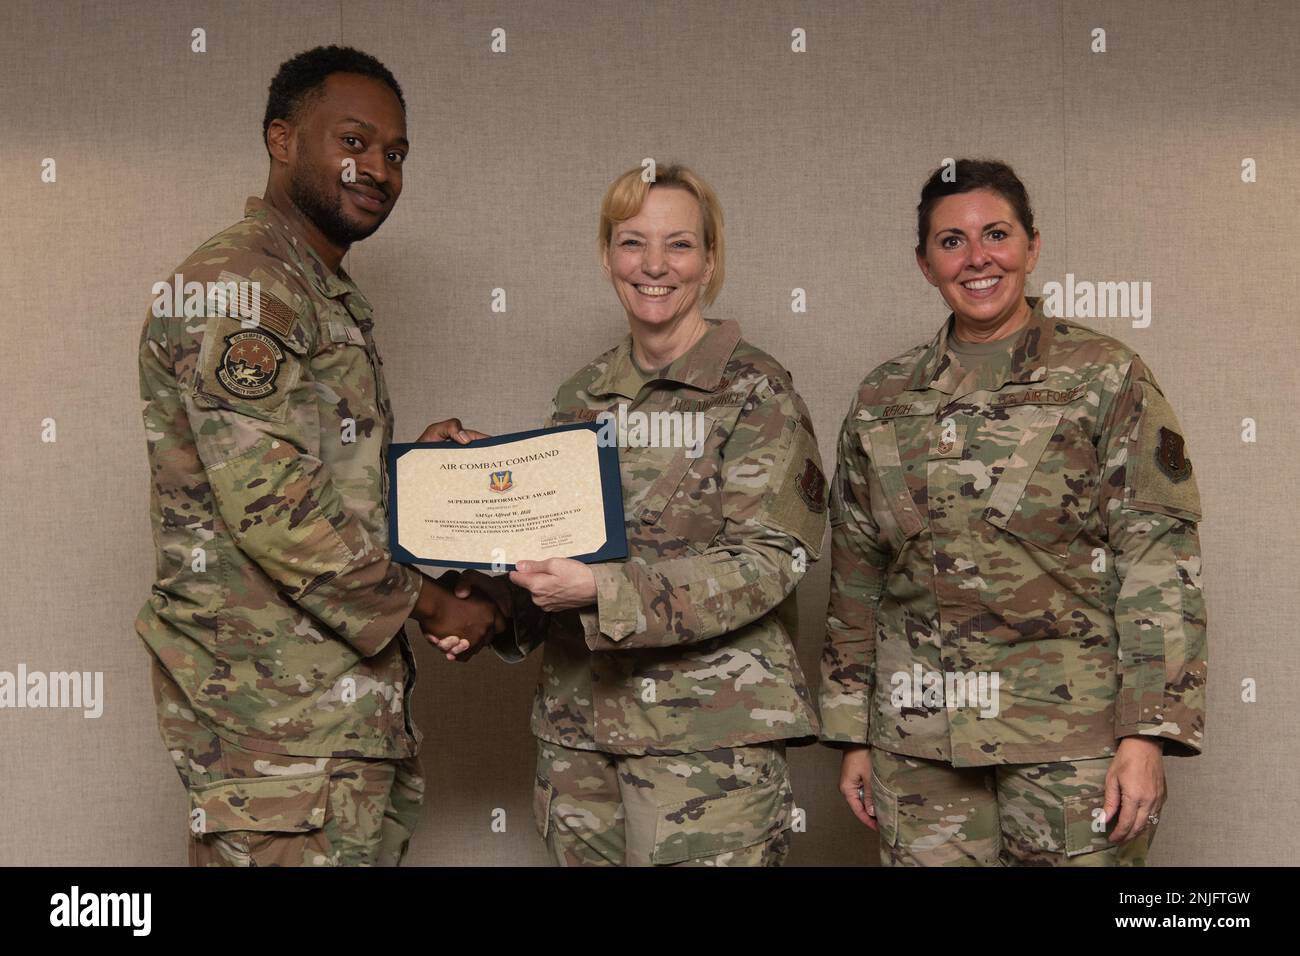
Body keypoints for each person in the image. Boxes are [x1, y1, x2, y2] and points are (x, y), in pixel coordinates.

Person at [135, 45, 503, 867]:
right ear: (281, 140)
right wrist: (444, 611)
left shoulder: (309, 286)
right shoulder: (243, 289)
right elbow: (279, 513)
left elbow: (298, 470)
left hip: (331, 728)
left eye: (395, 153)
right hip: (277, 732)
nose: (376, 167)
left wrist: (416, 472)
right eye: (354, 141)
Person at [819, 159, 1206, 866]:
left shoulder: (1104, 374)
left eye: (996, 234)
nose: (978, 259)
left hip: (1072, 743)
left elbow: (1157, 559)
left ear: (1033, 246)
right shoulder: (883, 395)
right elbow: (856, 573)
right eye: (951, 241)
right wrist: (852, 733)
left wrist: (1146, 734)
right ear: (923, 262)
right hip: (919, 746)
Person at [447, 163, 827, 866]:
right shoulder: (582, 397)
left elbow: (770, 562)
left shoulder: (757, 393)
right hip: (579, 737)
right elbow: (562, 555)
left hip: (707, 748)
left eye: (679, 245)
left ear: (710, 260)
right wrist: (488, 606)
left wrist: (604, 591)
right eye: (632, 243)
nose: (654, 265)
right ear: (606, 255)